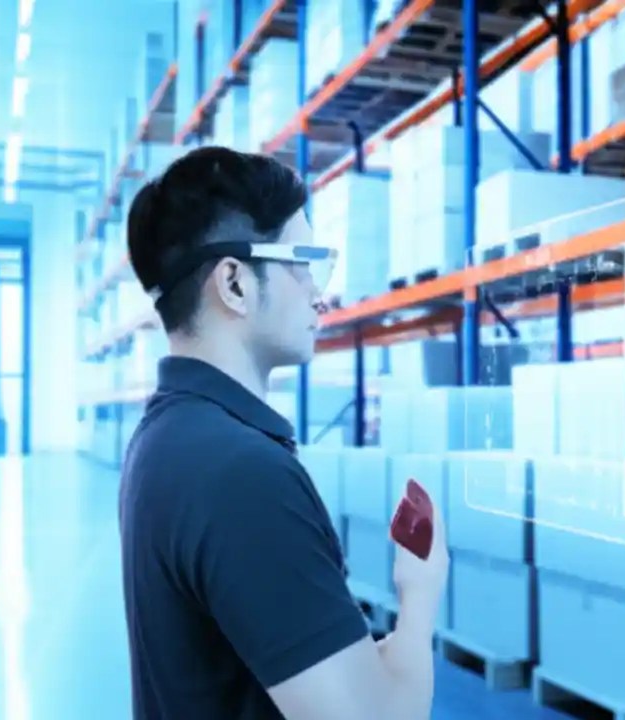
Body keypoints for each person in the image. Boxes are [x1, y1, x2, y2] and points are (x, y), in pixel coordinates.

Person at [118, 146, 449, 720]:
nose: (320, 292)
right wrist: (418, 593)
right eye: (305, 262)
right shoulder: (239, 475)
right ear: (236, 284)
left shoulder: (168, 437)